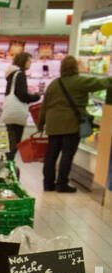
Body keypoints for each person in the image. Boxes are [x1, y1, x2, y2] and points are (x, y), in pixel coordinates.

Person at [37, 55, 109, 193]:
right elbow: (99, 83)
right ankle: (62, 184)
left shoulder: (54, 84)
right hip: (71, 124)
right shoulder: (79, 81)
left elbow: (44, 106)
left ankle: (48, 184)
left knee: (51, 155)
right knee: (67, 154)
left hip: (53, 125)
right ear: (75, 67)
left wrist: (41, 124)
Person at [1, 51, 40, 160]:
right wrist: (35, 97)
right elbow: (22, 95)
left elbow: (11, 93)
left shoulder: (12, 74)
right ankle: (9, 164)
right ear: (23, 61)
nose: (30, 63)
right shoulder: (20, 74)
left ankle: (7, 163)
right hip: (16, 114)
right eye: (29, 61)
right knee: (14, 141)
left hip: (10, 112)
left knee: (10, 140)